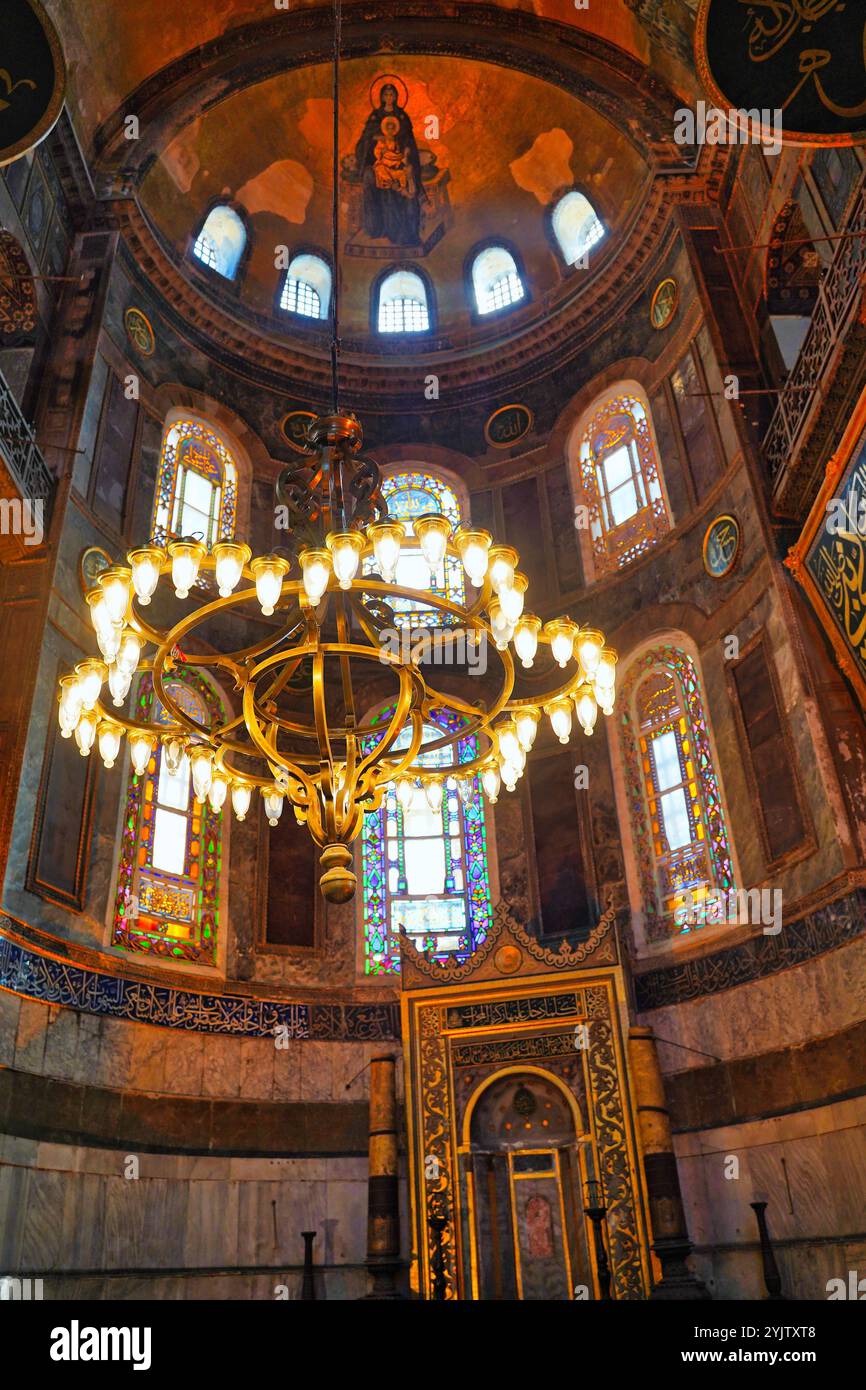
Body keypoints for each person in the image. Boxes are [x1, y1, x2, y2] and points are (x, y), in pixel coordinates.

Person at [354, 83, 424, 245]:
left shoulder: (401, 116)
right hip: (379, 163)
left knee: (406, 180)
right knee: (373, 179)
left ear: (396, 97)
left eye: (392, 95)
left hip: (399, 161)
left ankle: (406, 230)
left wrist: (405, 151)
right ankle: (376, 226)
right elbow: (366, 140)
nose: (389, 98)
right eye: (386, 95)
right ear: (381, 97)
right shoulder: (375, 116)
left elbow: (408, 140)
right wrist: (378, 140)